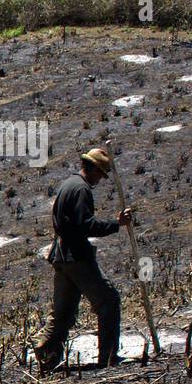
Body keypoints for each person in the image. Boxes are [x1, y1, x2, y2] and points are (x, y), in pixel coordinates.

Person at [32, 147, 131, 372]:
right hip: (76, 257)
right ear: (93, 169)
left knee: (63, 312)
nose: (100, 179)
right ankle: (108, 357)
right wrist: (116, 224)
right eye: (100, 174)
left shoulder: (69, 184)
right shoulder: (81, 189)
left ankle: (46, 354)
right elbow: (86, 225)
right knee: (108, 301)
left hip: (61, 255)